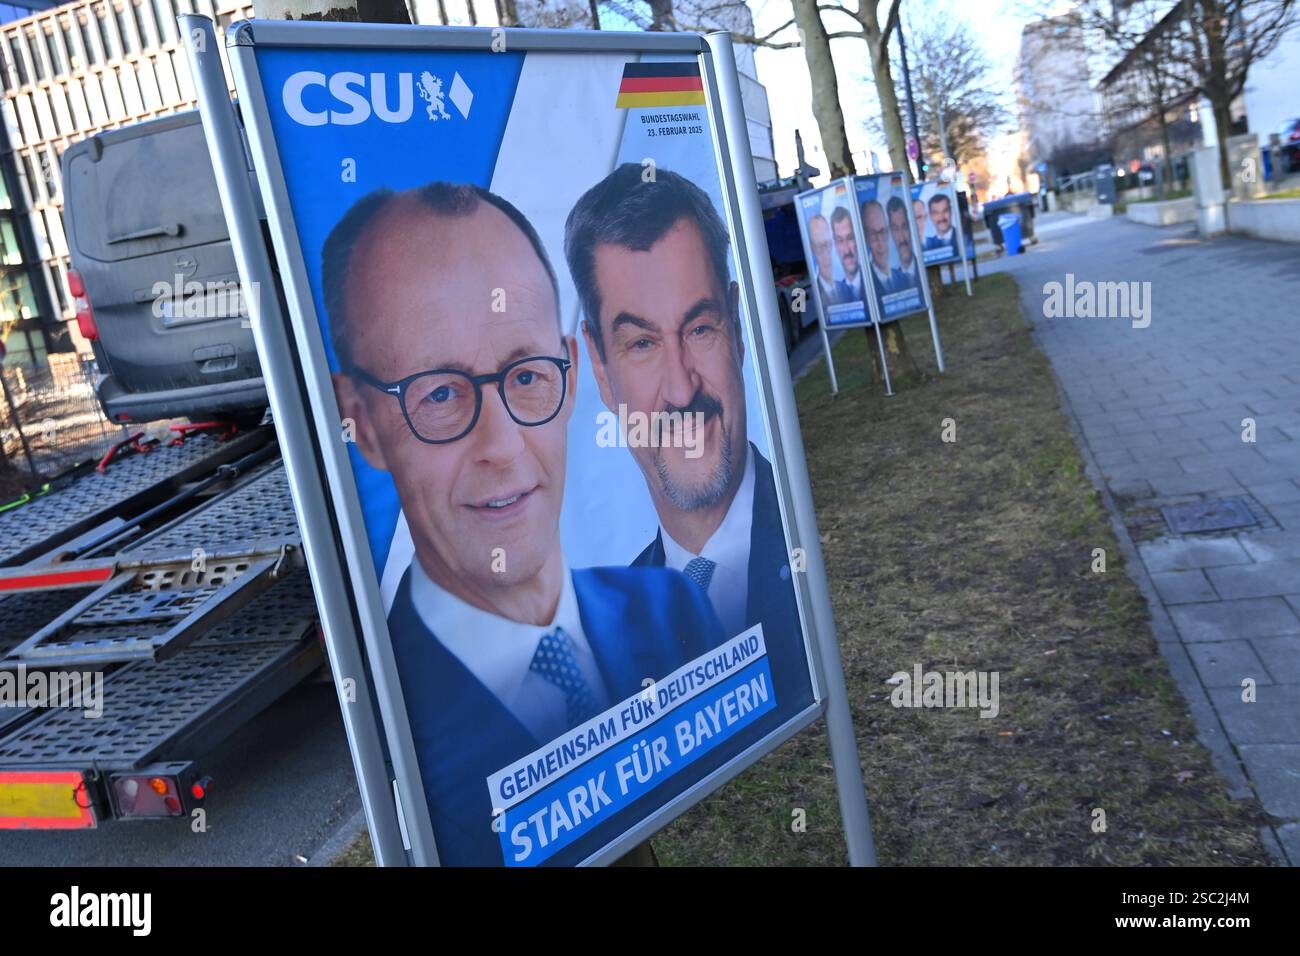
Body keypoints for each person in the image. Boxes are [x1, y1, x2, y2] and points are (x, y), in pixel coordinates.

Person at [325, 181, 725, 866]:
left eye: (527, 376)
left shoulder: (674, 607)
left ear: (570, 376)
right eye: (441, 393)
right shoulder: (395, 715)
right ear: (359, 420)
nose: (502, 445)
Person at [564, 162, 811, 731]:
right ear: (599, 366)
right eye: (642, 343)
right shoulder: (604, 631)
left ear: (737, 328)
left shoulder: (812, 554)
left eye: (700, 329)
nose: (681, 389)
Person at [887, 196, 922, 293]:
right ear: (890, 231)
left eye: (904, 226)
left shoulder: (923, 270)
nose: (902, 238)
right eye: (896, 229)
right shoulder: (890, 282)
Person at [806, 213, 840, 313]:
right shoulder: (801, 291)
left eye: (828, 244)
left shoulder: (846, 289)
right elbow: (798, 309)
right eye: (820, 246)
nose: (827, 254)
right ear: (812, 248)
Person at [862, 200, 895, 300]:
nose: (880, 242)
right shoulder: (864, 285)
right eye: (873, 234)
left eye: (882, 232)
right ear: (866, 238)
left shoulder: (902, 277)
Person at [830, 206, 864, 302]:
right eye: (840, 241)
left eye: (850, 238)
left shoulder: (876, 283)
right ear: (835, 245)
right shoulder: (836, 296)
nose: (847, 250)